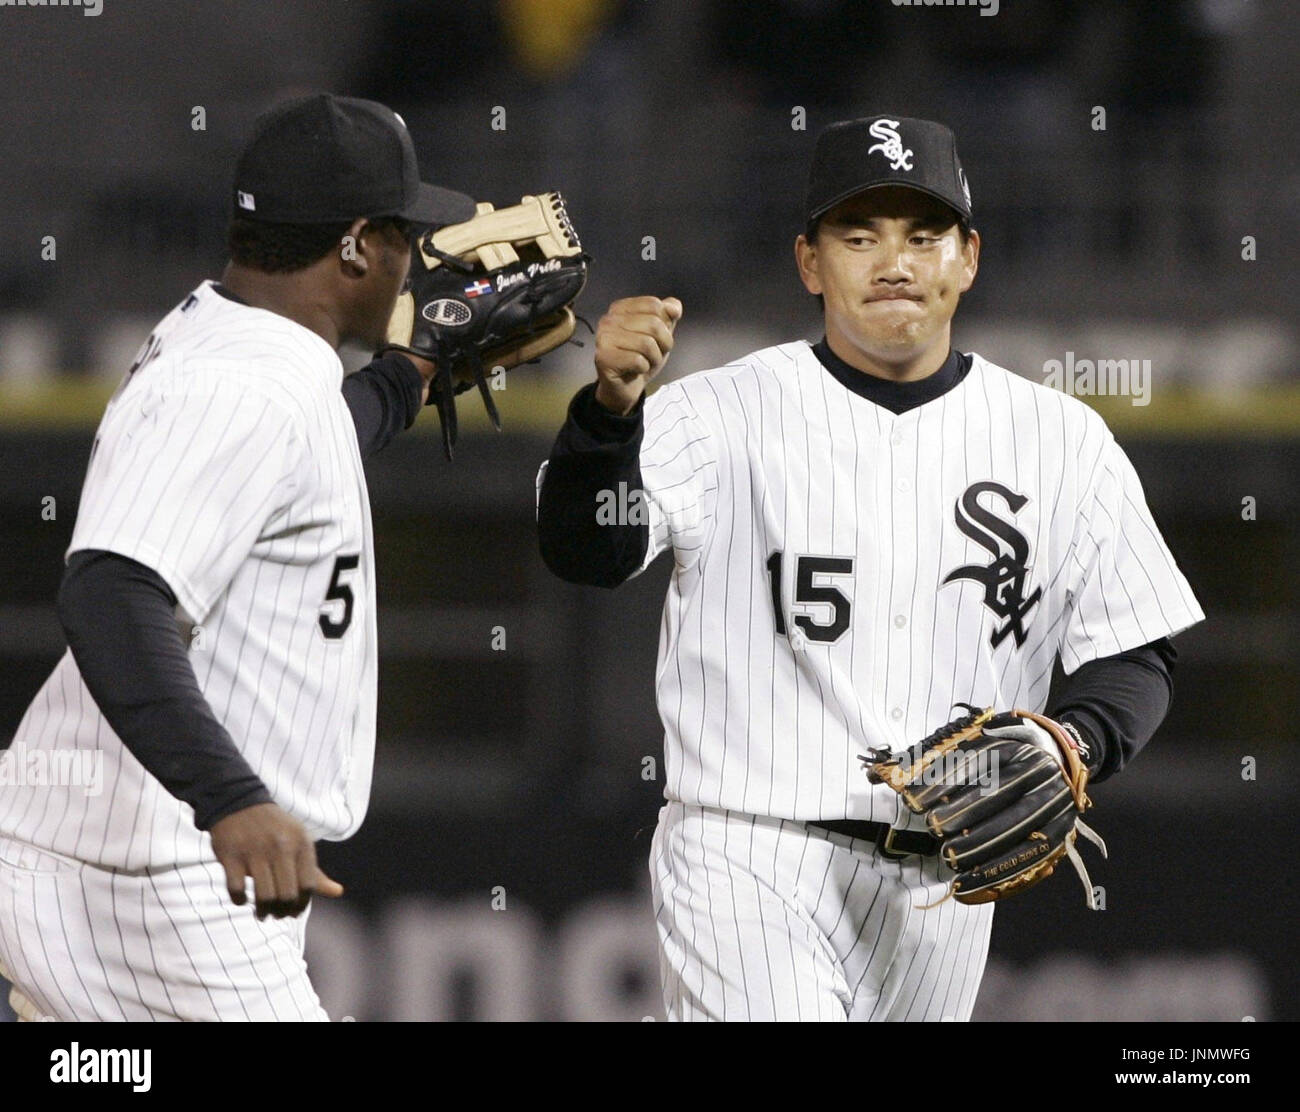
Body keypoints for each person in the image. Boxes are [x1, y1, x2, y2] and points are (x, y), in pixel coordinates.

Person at [535, 115, 1204, 1021]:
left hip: (944, 888)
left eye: (923, 237)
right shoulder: (717, 412)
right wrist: (610, 414)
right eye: (860, 236)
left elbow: (1139, 653)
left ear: (968, 257)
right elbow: (585, 549)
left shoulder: (1062, 440)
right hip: (749, 852)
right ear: (810, 263)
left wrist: (1068, 742)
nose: (895, 262)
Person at [0, 93, 476, 1021]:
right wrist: (231, 801)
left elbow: (298, 452)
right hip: (147, 878)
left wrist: (407, 377)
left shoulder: (249, 347)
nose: (410, 258)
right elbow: (110, 592)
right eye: (399, 236)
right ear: (352, 246)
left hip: (119, 860)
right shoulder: (239, 383)